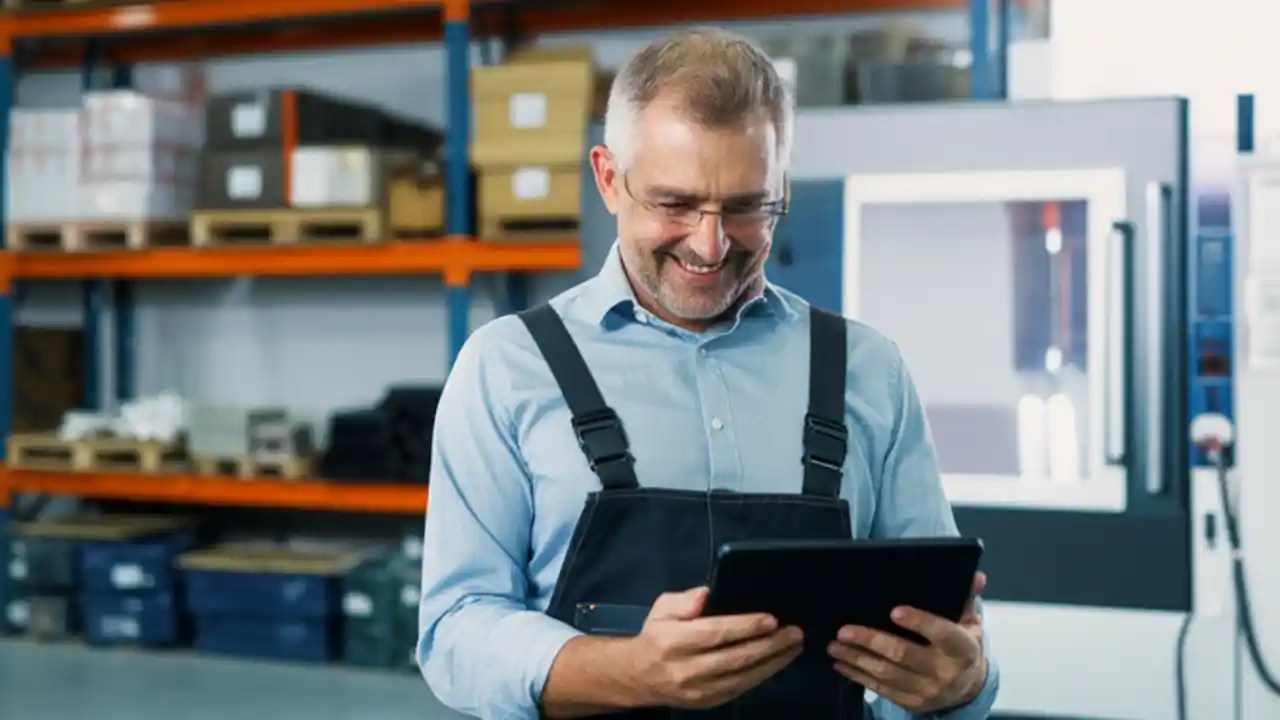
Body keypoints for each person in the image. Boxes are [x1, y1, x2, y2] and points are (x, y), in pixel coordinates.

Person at [417, 26, 1000, 720]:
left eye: (748, 206)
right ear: (609, 178)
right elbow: (454, 628)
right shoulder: (507, 368)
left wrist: (963, 687)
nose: (710, 243)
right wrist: (626, 671)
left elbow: (934, 625)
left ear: (780, 185)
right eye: (675, 204)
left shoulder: (868, 371)